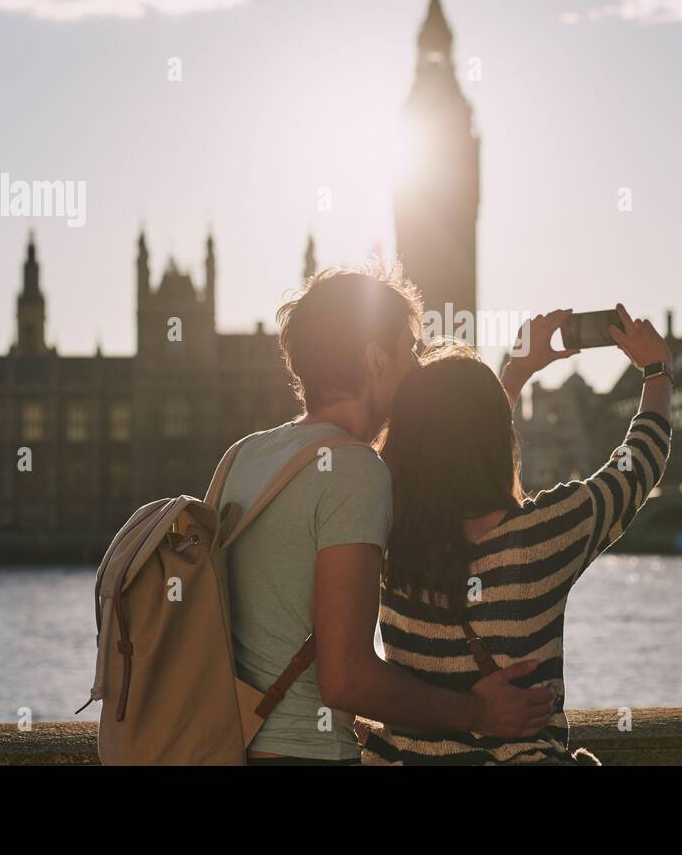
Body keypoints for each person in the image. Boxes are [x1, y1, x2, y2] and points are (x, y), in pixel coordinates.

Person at [217, 264, 556, 764]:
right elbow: (346, 679)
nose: (418, 371)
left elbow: (456, 458)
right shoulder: (356, 472)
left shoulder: (245, 456)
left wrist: (513, 377)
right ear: (375, 360)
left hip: (229, 745)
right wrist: (476, 713)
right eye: (410, 353)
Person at [359, 305, 673, 764]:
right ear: (500, 438)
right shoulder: (546, 534)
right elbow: (639, 463)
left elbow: (449, 444)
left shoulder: (384, 531)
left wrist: (515, 371)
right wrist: (657, 371)